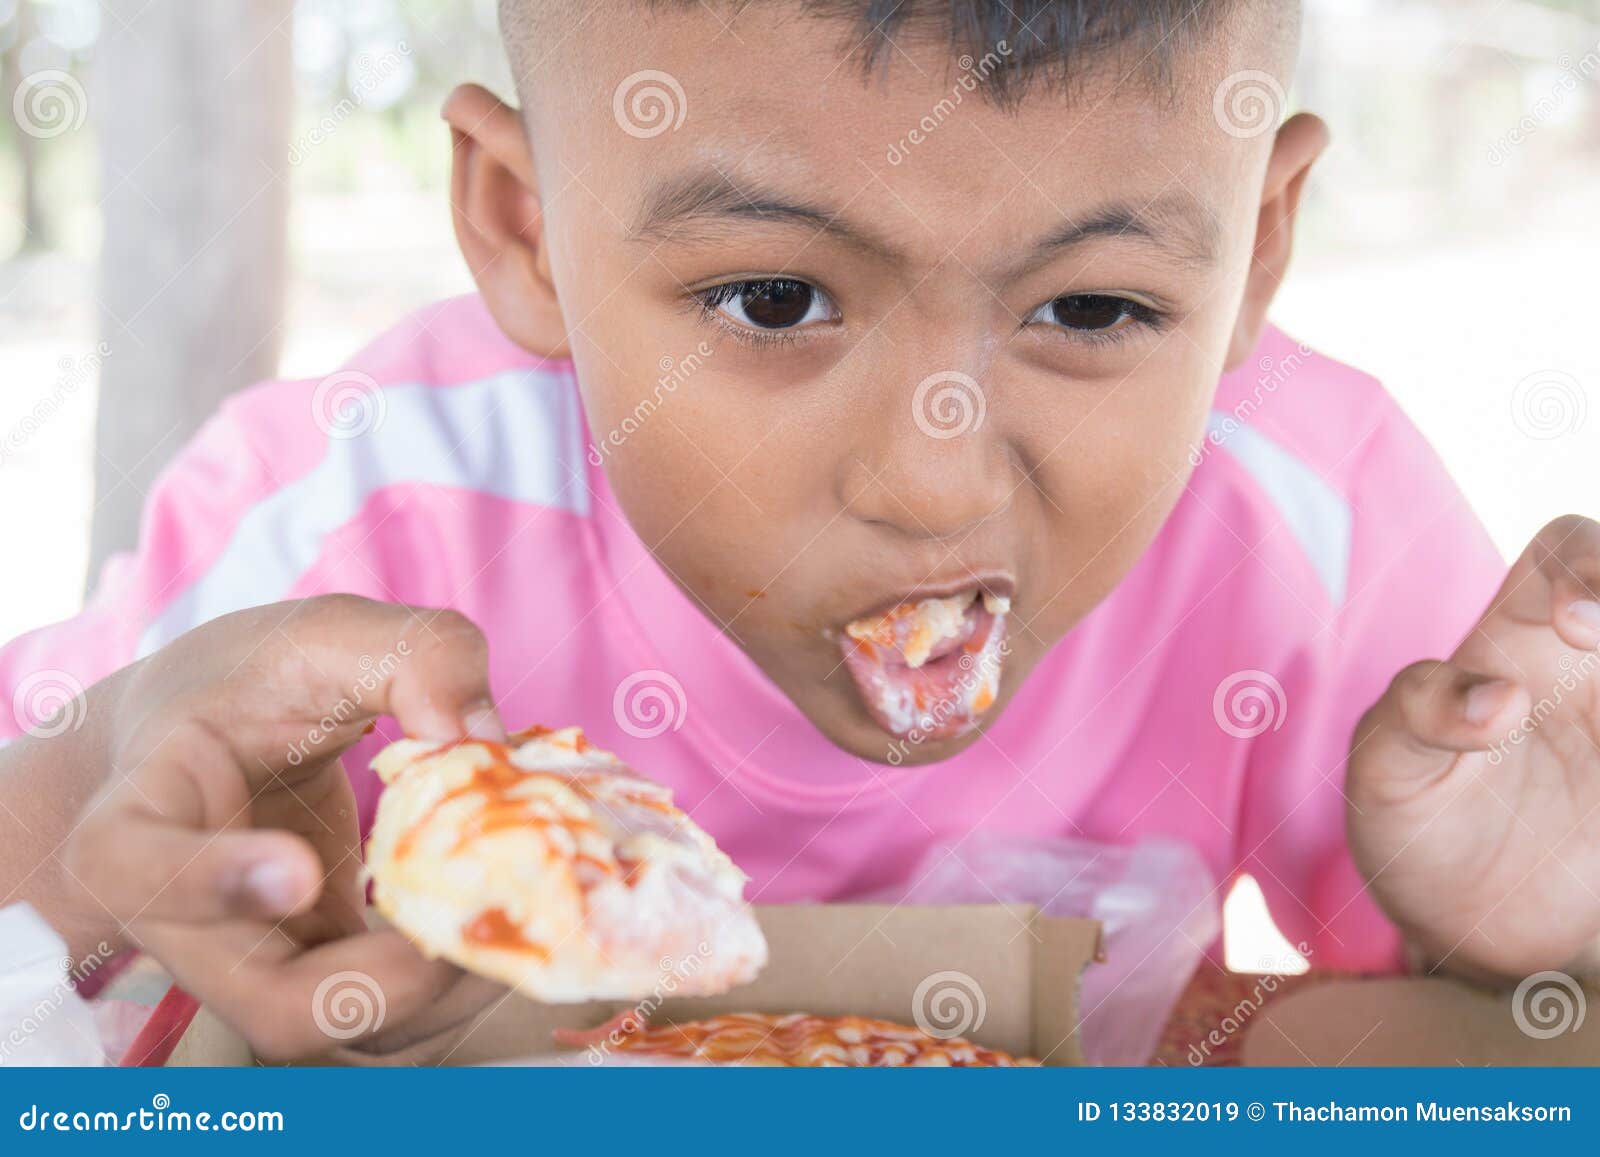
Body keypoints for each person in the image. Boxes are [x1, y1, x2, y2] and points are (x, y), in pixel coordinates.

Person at [3, 0, 1597, 1061]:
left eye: (1094, 307)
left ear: (1253, 254)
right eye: (773, 299)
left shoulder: (1324, 537)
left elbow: (1457, 1057)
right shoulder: (347, 516)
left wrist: (1542, 955)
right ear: (525, 226)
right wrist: (94, 784)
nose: (933, 482)